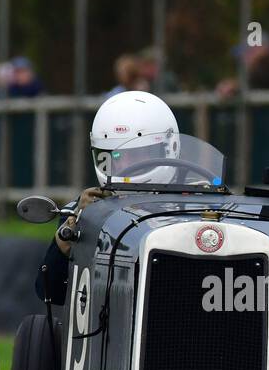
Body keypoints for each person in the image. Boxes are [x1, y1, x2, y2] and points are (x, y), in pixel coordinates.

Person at [37, 90, 179, 304]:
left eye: (139, 154)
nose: (126, 165)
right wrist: (78, 227)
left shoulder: (192, 204)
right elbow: (50, 292)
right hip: (107, 321)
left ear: (168, 148)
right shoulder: (85, 209)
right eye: (117, 156)